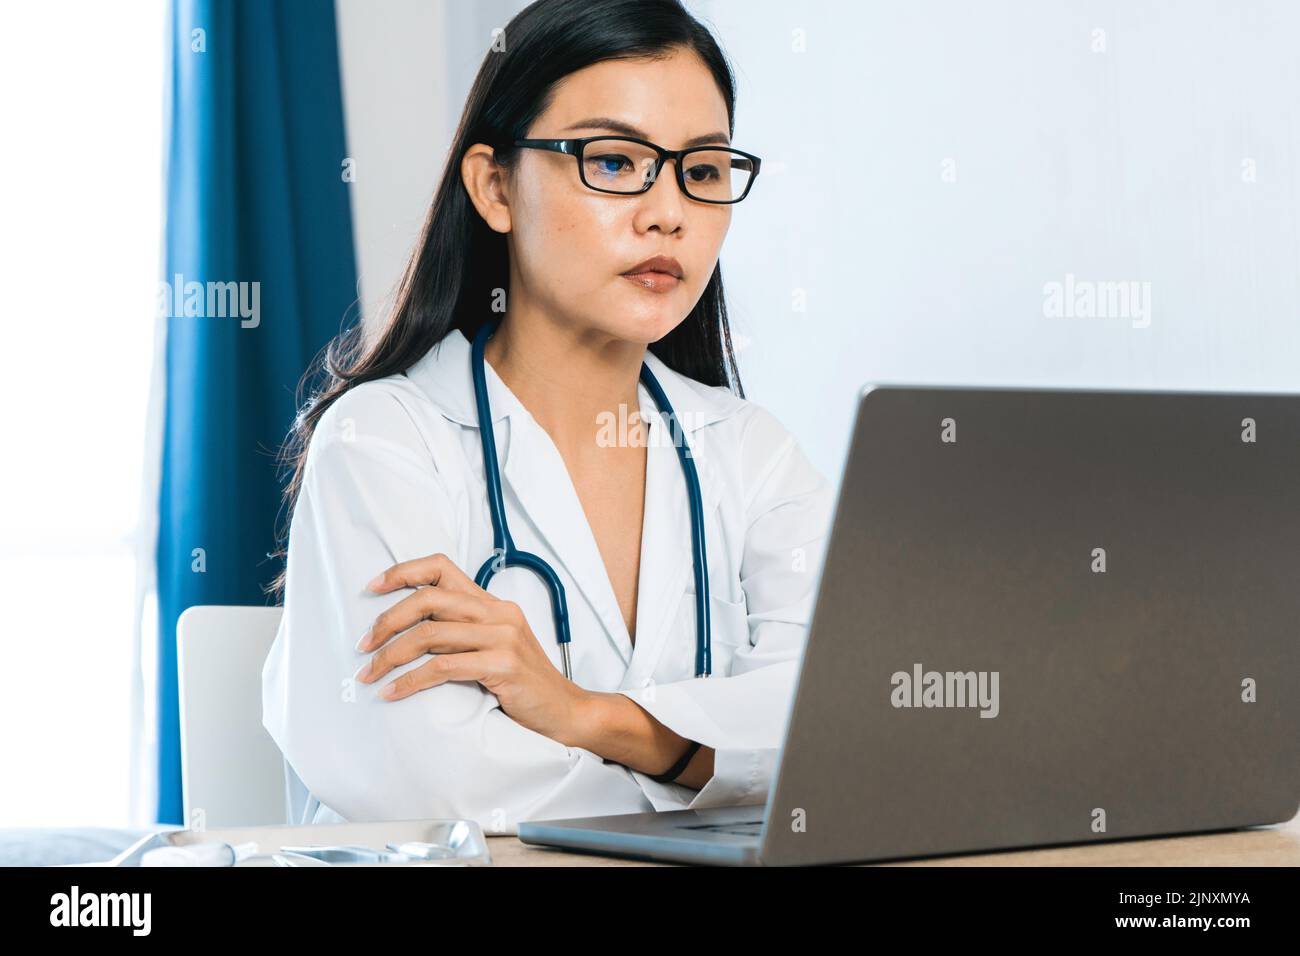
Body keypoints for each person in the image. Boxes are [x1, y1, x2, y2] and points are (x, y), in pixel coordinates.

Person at [261, 0, 834, 835]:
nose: (667, 211)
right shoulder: (384, 442)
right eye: (613, 160)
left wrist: (580, 713)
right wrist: (700, 764)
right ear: (495, 186)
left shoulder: (748, 451)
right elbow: (429, 786)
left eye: (702, 172)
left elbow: (839, 734)